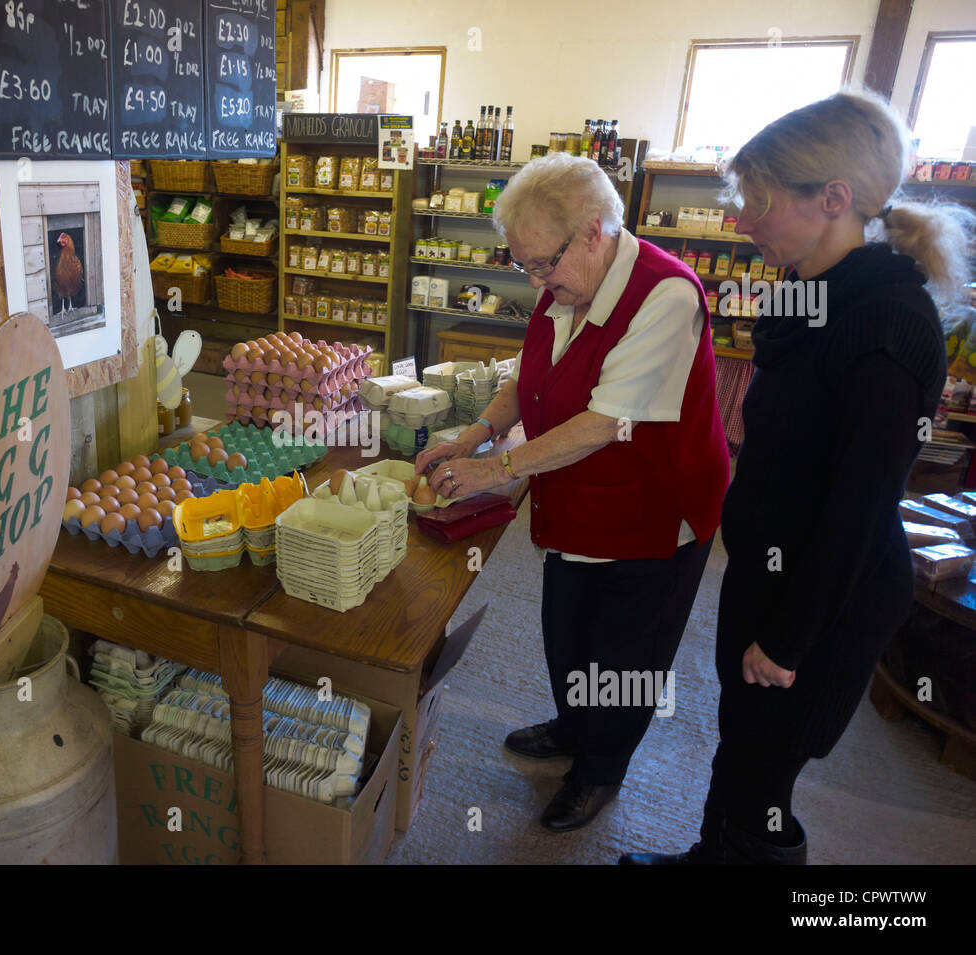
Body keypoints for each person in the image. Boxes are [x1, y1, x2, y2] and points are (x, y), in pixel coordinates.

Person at [621, 89, 971, 865]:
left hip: (824, 599)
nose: (743, 219)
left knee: (765, 781)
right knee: (742, 743)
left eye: (759, 200)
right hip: (771, 571)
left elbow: (858, 510)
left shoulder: (884, 324)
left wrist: (786, 640)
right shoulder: (813, 291)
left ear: (834, 199)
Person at [414, 153, 730, 832]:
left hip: (653, 510)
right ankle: (572, 725)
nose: (535, 281)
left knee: (625, 653)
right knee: (567, 629)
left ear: (594, 231)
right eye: (523, 265)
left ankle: (601, 769)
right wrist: (472, 436)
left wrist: (496, 471)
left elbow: (603, 421)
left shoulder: (666, 297)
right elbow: (526, 377)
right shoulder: (566, 282)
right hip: (579, 497)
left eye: (542, 264)